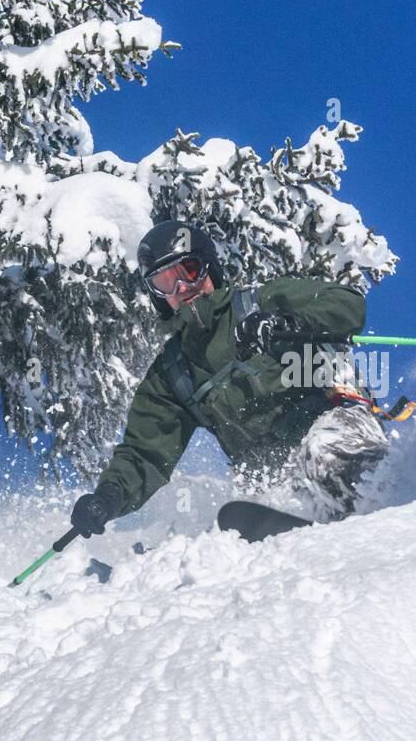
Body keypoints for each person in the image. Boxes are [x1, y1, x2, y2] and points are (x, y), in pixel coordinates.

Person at [69, 220, 389, 539]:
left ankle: (380, 516)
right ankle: (300, 543)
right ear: (158, 296)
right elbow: (144, 453)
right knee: (232, 525)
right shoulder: (172, 375)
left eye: (189, 271)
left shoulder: (258, 304)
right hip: (271, 473)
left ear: (209, 268)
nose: (182, 288)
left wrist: (289, 322)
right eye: (166, 282)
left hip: (339, 426)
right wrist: (108, 498)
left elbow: (346, 302)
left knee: (323, 456)